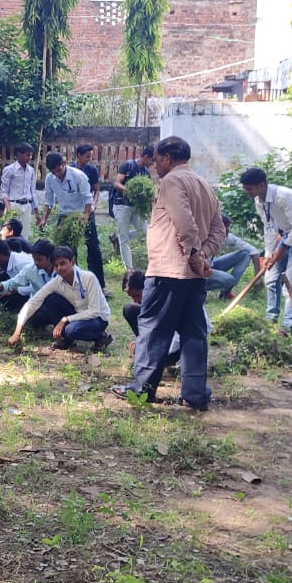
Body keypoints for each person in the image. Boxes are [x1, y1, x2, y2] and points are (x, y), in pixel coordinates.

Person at [111, 136, 226, 411]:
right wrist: (203, 255)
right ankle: (195, 394)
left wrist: (195, 253)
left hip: (169, 270)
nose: (153, 165)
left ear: (166, 158)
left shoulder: (172, 182)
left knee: (152, 330)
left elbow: (184, 221)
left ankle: (142, 390)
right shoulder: (204, 184)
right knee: (193, 333)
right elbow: (219, 229)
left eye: (156, 159)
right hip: (193, 275)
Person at [240, 166, 292, 335]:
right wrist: (269, 255)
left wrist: (281, 250)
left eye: (249, 189)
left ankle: (287, 326)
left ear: (261, 185)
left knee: (290, 280)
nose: (247, 193)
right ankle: (270, 318)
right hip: (287, 235)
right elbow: (270, 229)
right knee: (271, 277)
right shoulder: (259, 202)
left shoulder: (284, 196)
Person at [7, 246, 111, 350]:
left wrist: (66, 319)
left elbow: (94, 311)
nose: (59, 268)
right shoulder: (56, 282)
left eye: (63, 263)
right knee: (50, 299)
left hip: (98, 318)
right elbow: (33, 302)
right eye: (56, 265)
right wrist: (17, 332)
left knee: (71, 330)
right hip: (78, 313)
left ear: (73, 262)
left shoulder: (88, 278)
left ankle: (101, 336)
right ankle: (64, 339)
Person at [39, 152, 106, 287]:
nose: (56, 174)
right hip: (65, 215)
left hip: (83, 213)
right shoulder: (50, 178)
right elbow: (49, 200)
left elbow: (88, 199)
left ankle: (99, 285)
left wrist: (85, 218)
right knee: (64, 250)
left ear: (64, 164)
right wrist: (44, 218)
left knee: (93, 248)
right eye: (53, 172)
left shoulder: (79, 176)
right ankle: (72, 282)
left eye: (58, 170)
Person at [0, 239, 55, 312]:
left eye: (39, 259)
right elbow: (12, 283)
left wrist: (13, 291)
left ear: (49, 258)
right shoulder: (31, 269)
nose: (36, 262)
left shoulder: (21, 263)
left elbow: (31, 288)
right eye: (34, 259)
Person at [111, 146, 154, 270]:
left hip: (136, 207)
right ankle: (129, 269)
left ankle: (116, 238)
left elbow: (147, 191)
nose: (153, 164)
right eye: (152, 160)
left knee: (144, 231)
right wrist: (128, 190)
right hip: (122, 205)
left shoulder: (146, 172)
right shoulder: (128, 166)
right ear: (146, 157)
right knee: (124, 239)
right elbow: (117, 183)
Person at [70, 145, 106, 287]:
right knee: (72, 247)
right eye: (87, 156)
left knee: (93, 247)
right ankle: (74, 279)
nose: (89, 159)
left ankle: (98, 283)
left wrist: (94, 204)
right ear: (78, 155)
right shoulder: (70, 170)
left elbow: (96, 190)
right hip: (72, 212)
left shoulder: (92, 170)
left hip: (87, 211)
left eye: (90, 156)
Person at [208, 215, 261, 299]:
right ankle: (197, 290)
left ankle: (226, 292)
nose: (227, 230)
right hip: (199, 271)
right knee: (229, 279)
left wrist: (258, 277)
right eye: (224, 227)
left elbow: (253, 251)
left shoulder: (227, 237)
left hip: (211, 265)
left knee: (245, 254)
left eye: (228, 227)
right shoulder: (205, 237)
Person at [0, 142, 39, 239]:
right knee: (10, 234)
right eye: (27, 155)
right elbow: (4, 191)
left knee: (24, 235)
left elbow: (32, 192)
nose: (30, 157)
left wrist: (37, 212)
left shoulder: (31, 171)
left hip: (27, 206)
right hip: (13, 205)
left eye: (31, 155)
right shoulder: (9, 170)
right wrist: (9, 209)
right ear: (19, 154)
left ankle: (22, 253)